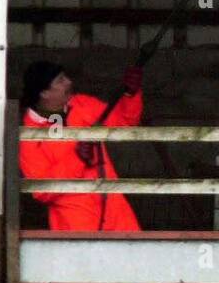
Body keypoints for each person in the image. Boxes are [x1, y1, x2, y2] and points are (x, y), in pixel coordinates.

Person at [19, 61, 145, 231]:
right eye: (61, 80)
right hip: (76, 225)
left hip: (117, 217)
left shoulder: (82, 104)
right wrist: (76, 159)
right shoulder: (29, 137)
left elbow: (124, 124)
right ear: (44, 93)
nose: (69, 82)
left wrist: (131, 95)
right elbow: (41, 191)